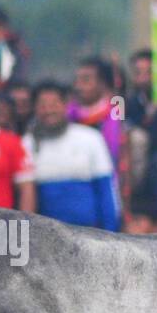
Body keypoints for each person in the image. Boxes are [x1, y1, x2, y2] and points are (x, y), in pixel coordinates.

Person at [24, 81, 119, 231]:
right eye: (42, 105)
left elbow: (106, 190)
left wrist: (112, 231)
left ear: (66, 105)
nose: (48, 111)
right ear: (34, 109)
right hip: (46, 238)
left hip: (90, 235)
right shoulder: (26, 144)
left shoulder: (90, 138)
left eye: (54, 104)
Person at [70, 56, 123, 168]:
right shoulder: (67, 114)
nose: (78, 86)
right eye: (77, 80)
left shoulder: (115, 114)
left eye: (86, 80)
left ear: (102, 84)